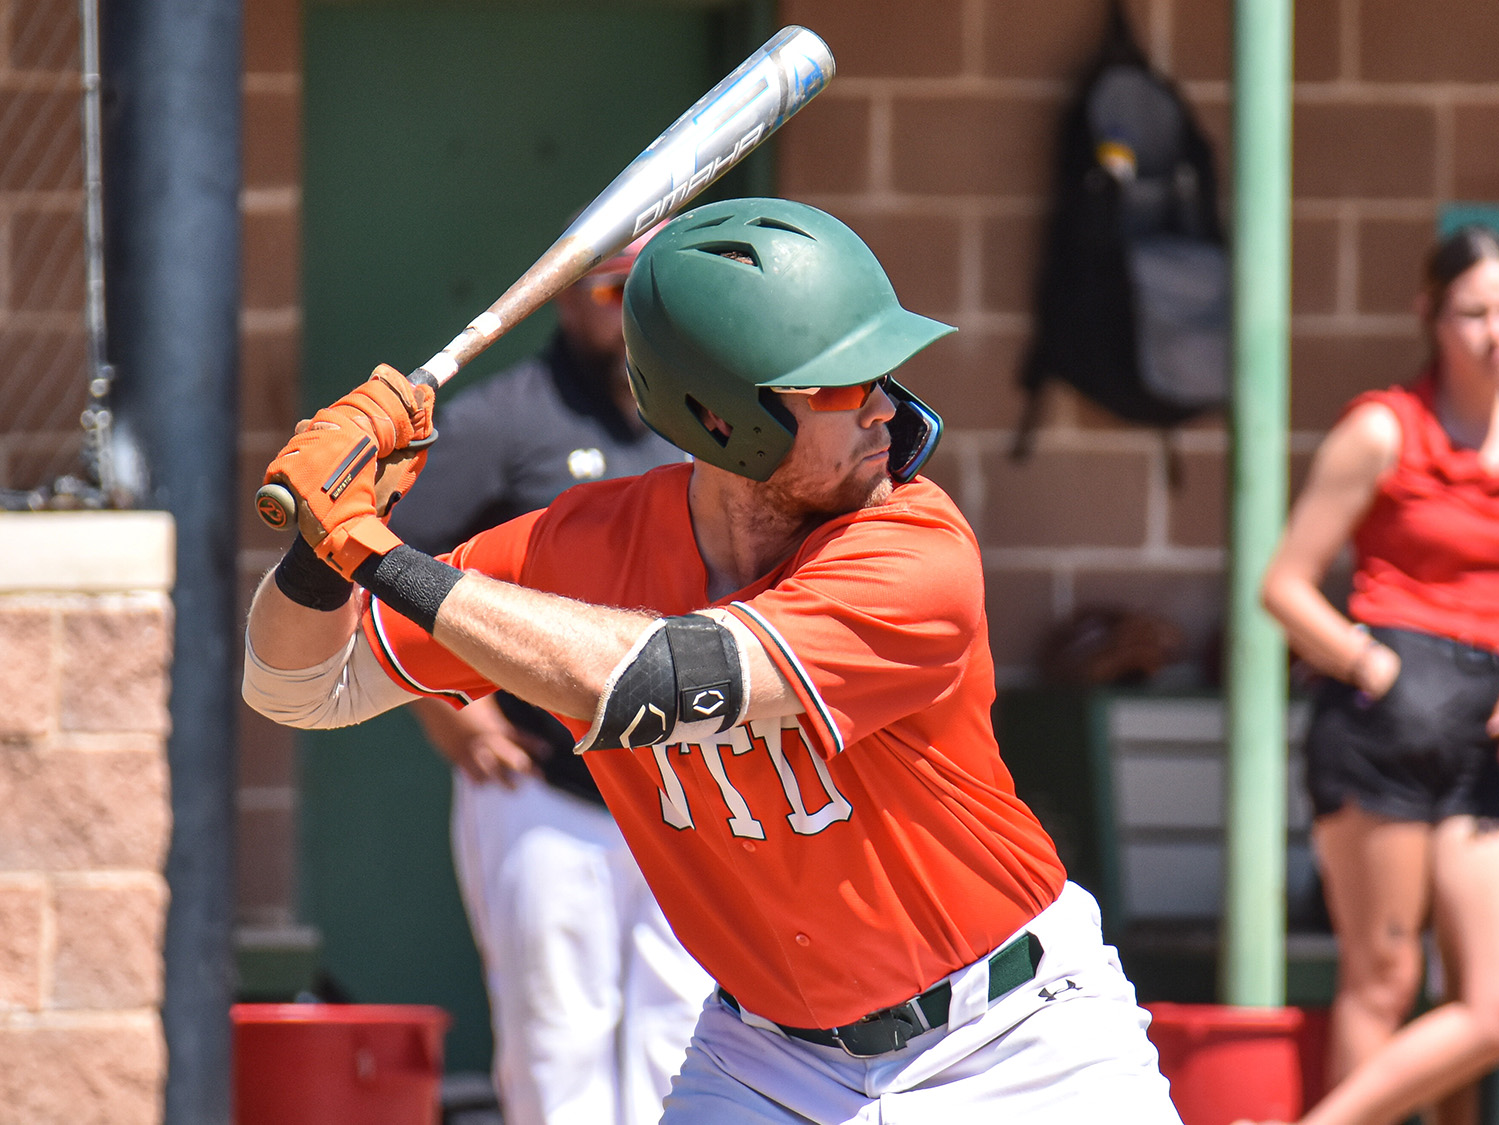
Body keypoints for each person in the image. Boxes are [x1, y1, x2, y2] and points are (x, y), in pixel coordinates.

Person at [243, 198, 1180, 1124]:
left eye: (883, 374)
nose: (886, 410)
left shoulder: (915, 548)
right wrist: (319, 551)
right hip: (767, 1063)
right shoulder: (583, 542)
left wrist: (376, 553)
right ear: (730, 418)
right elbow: (296, 686)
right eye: (844, 386)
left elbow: (664, 679)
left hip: (1016, 1043)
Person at [1257, 225, 1499, 1125]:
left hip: (1495, 717)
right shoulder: (1382, 426)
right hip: (1385, 716)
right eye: (1474, 313)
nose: (1497, 334)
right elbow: (1283, 584)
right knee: (1386, 976)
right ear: (1431, 317)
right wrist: (1375, 664)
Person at [383, 228, 711, 1125]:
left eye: (650, 297)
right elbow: (383, 564)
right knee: (555, 1050)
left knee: (686, 1041)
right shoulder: (504, 420)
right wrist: (447, 710)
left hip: (681, 791)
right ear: (567, 299)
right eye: (610, 294)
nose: (630, 318)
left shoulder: (709, 423)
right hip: (545, 789)